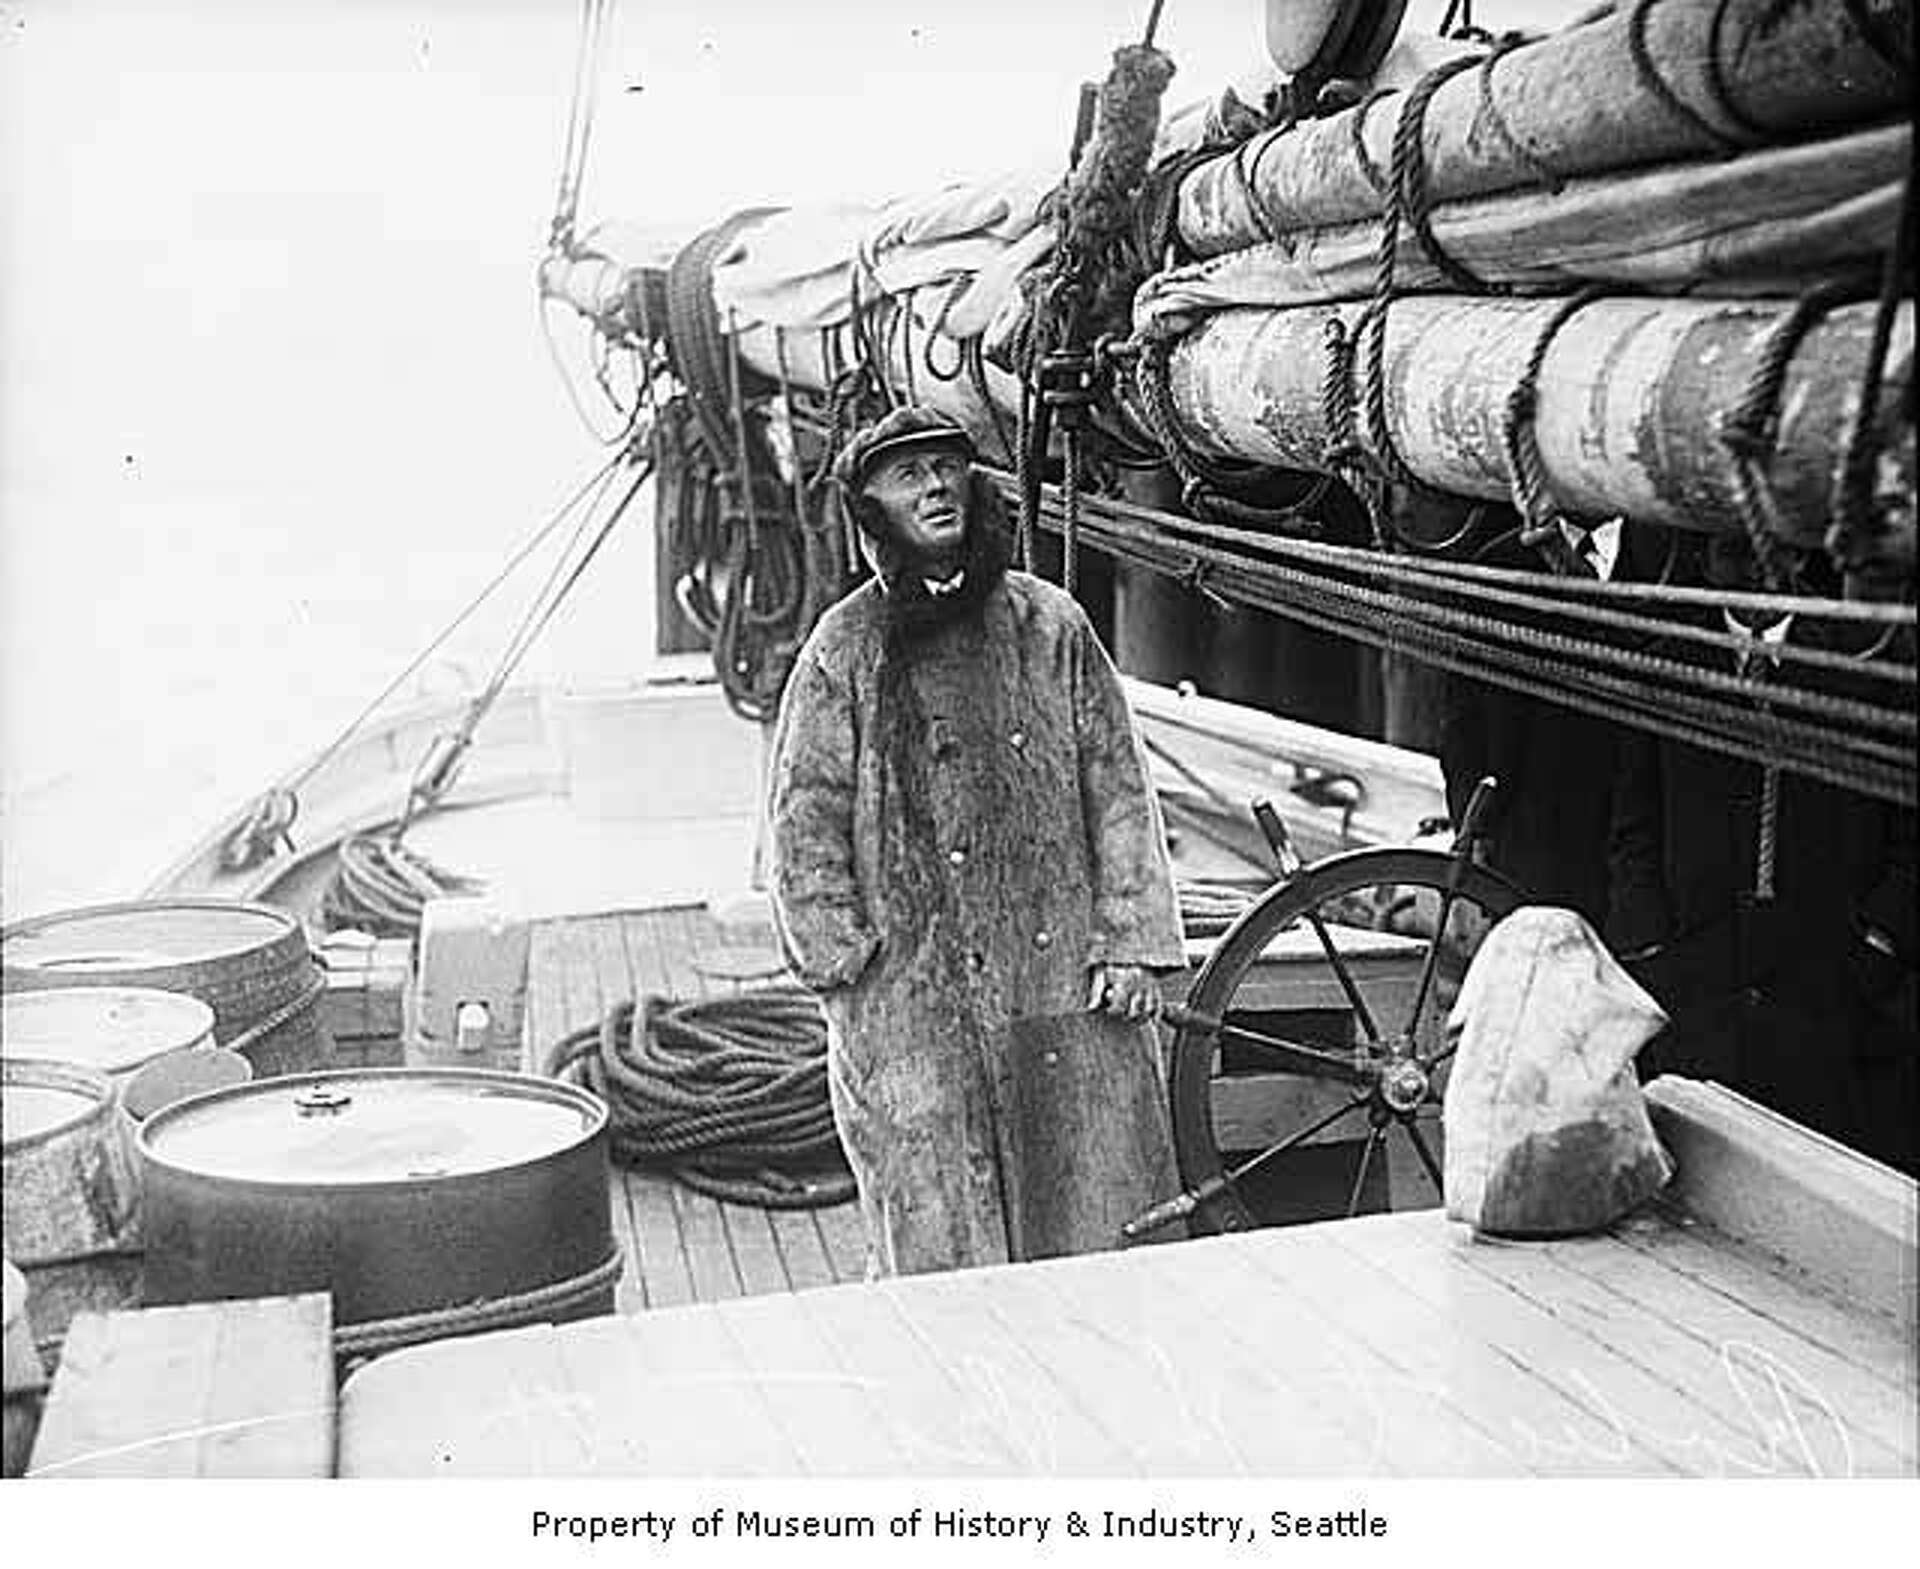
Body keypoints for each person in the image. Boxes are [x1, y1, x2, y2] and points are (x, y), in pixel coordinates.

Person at [767, 404, 1187, 1276]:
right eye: (908, 473)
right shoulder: (842, 649)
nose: (934, 485)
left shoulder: (1052, 624)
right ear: (870, 506)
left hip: (1062, 980)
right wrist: (848, 969)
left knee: (1097, 1226)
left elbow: (1118, 788)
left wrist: (1134, 945)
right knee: (940, 1245)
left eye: (947, 466)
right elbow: (802, 821)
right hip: (916, 1002)